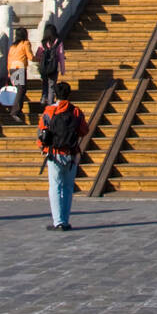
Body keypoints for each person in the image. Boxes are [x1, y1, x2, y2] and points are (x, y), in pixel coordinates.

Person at [37, 81, 88, 232]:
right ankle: (65, 221)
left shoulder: (49, 111)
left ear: (56, 95)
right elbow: (84, 130)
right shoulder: (76, 111)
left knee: (55, 187)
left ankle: (57, 221)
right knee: (67, 187)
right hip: (71, 154)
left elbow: (42, 131)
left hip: (54, 154)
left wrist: (42, 147)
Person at [6, 26, 34, 124]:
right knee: (21, 89)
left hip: (12, 68)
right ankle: (15, 111)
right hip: (20, 68)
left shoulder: (13, 46)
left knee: (20, 89)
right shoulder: (25, 43)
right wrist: (40, 58)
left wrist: (9, 73)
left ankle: (17, 108)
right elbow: (30, 56)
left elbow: (9, 59)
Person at [35, 23, 65, 107]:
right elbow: (61, 57)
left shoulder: (43, 43)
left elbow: (38, 55)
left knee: (44, 84)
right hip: (53, 68)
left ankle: (43, 99)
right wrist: (62, 69)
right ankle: (50, 103)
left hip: (44, 68)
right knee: (51, 86)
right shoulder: (58, 43)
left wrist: (40, 63)